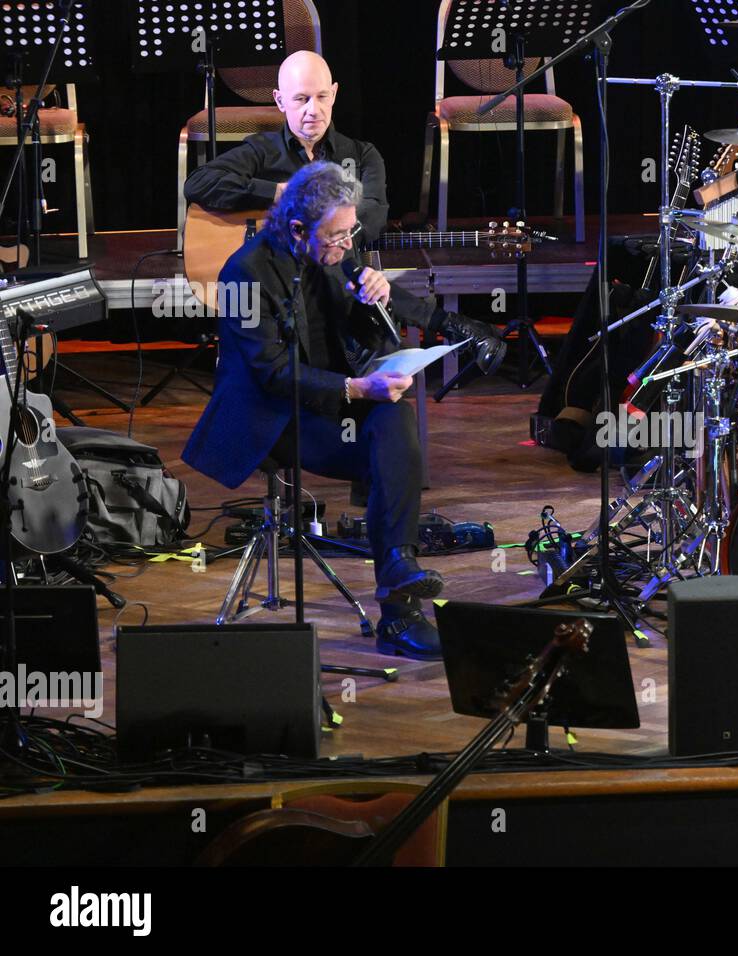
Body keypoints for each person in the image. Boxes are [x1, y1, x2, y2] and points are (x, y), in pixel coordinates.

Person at [183, 161, 498, 660]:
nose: (347, 245)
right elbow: (270, 373)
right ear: (297, 229)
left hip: (329, 401)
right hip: (274, 419)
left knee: (393, 417)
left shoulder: (332, 253)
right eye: (337, 235)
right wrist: (356, 388)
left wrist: (383, 301)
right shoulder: (243, 274)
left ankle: (397, 571)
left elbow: (362, 323)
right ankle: (398, 605)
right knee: (385, 442)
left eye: (351, 231)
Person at [184, 49, 504, 374]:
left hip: (333, 282)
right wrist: (279, 193)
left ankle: (376, 347)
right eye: (301, 99)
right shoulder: (263, 151)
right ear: (280, 101)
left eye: (322, 97)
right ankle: (450, 327)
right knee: (350, 272)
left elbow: (374, 215)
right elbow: (199, 183)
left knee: (339, 259)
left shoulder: (361, 155)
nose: (313, 110)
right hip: (278, 283)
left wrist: (329, 235)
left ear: (334, 93)